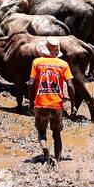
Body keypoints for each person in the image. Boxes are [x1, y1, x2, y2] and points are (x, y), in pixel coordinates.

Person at [28, 37, 72, 165]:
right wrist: (73, 105)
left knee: (41, 132)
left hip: (41, 103)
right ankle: (57, 160)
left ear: (45, 50)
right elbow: (70, 86)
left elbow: (30, 83)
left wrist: (31, 102)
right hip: (57, 104)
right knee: (57, 133)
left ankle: (45, 148)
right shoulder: (63, 64)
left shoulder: (37, 62)